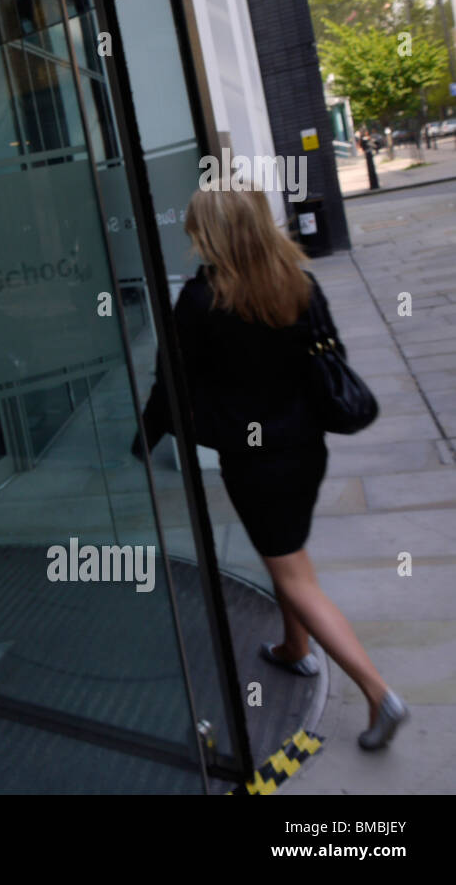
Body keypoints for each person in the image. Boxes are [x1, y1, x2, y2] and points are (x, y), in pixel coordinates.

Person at [131, 185, 408, 751]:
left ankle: (380, 694)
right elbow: (329, 359)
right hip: (306, 449)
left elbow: (171, 382)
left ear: (211, 233)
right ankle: (294, 648)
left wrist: (146, 438)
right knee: (285, 552)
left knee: (292, 574)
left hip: (254, 459)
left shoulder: (200, 301)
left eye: (194, 228)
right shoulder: (297, 283)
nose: (190, 237)